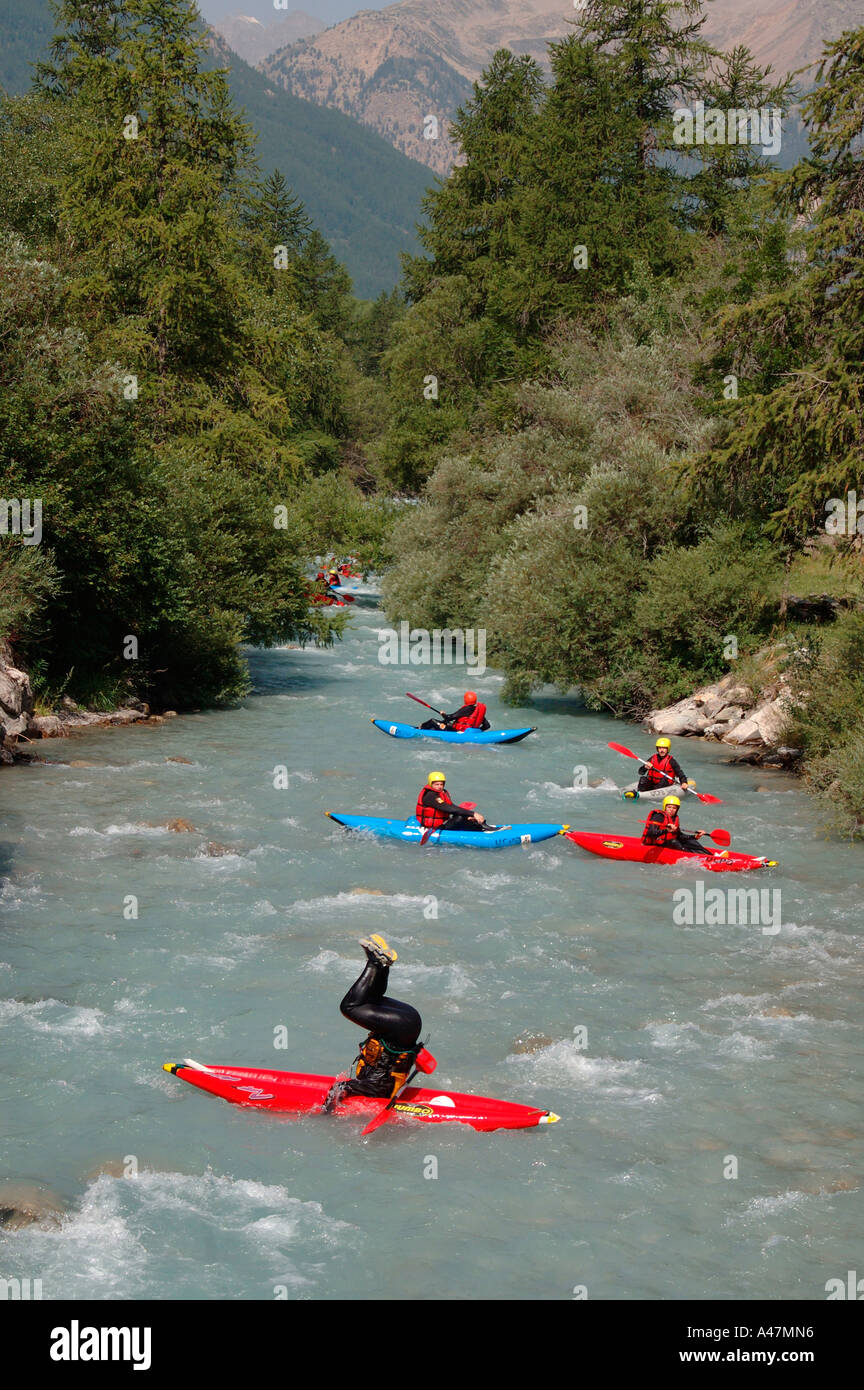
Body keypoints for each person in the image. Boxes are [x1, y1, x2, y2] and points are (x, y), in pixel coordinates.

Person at [323, 935, 423, 1110]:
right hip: (401, 1026)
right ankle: (378, 963)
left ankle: (378, 964)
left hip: (408, 1022)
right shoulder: (376, 1087)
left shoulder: (377, 1089)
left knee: (353, 1005)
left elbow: (340, 1088)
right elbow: (344, 1087)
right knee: (357, 1004)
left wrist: (324, 1113)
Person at [641, 795, 717, 855]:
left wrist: (695, 836)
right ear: (665, 807)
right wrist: (666, 830)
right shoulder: (658, 816)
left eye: (674, 808)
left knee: (691, 841)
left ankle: (710, 855)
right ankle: (692, 856)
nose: (671, 809)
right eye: (669, 807)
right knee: (674, 841)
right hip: (657, 844)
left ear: (677, 809)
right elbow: (650, 834)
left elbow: (679, 836)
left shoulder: (675, 818)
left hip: (669, 842)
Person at [416, 770, 489, 832]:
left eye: (441, 784)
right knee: (459, 818)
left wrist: (468, 815)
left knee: (461, 815)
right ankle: (479, 829)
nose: (439, 787)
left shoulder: (442, 793)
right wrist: (473, 814)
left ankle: (477, 826)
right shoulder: (430, 796)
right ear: (431, 784)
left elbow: (451, 806)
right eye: (436, 784)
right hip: (433, 827)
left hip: (442, 823)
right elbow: (448, 808)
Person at [420, 691, 491, 732]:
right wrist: (474, 732)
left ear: (465, 700)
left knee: (432, 721)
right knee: (444, 722)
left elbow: (449, 718)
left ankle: (419, 729)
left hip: (457, 731)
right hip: (466, 732)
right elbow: (487, 726)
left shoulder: (466, 709)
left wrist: (443, 714)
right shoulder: (477, 710)